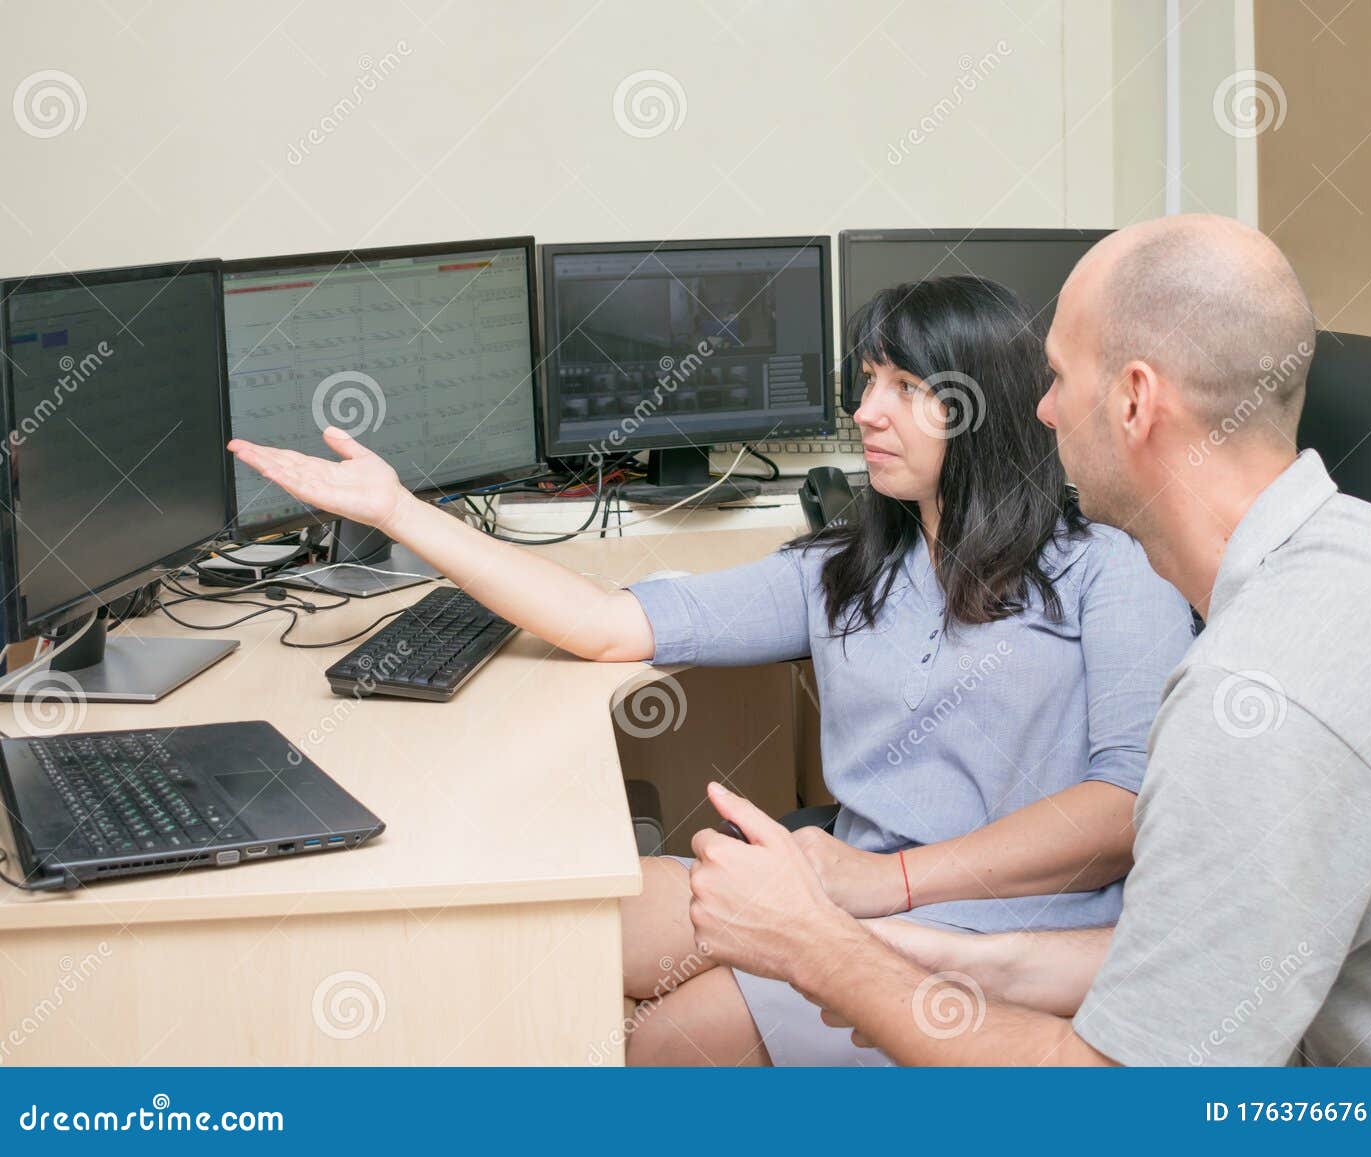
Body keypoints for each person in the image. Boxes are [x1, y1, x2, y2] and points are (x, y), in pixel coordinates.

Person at [682, 214, 1371, 1066]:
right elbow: (1174, 974)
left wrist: (821, 952)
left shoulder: (1257, 695)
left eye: (1055, 378)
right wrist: (902, 946)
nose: (1037, 412)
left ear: (1132, 402)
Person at [227, 274, 1196, 1066]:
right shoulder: (847, 570)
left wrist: (887, 880)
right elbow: (607, 624)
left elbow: (1121, 810)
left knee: (667, 1037)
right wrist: (400, 509)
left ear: (978, 406)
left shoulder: (1113, 570)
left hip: (1004, 941)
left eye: (903, 387)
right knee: (555, 932)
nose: (866, 412)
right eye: (865, 382)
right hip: (828, 887)